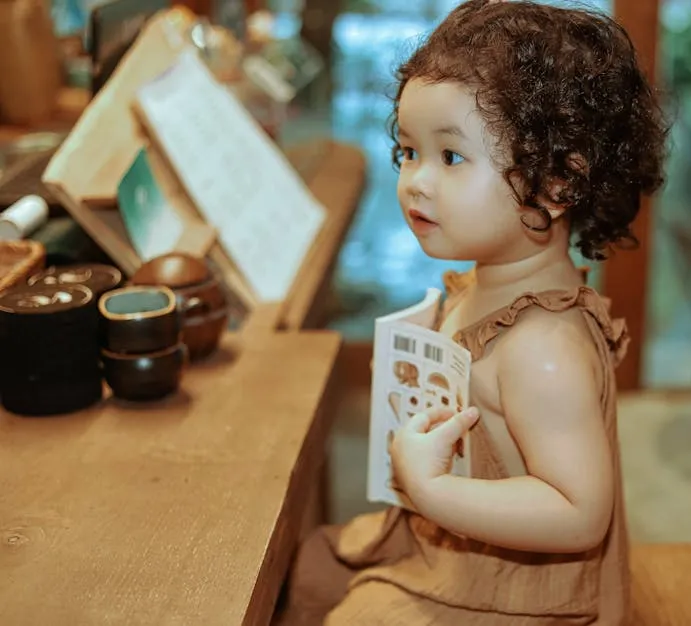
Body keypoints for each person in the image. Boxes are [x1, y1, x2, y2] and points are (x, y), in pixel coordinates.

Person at [275, 1, 668, 623]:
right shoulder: (488, 285)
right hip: (456, 542)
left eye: (450, 157)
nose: (415, 181)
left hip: (518, 593)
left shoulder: (543, 350)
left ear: (555, 185)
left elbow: (578, 514)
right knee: (301, 572)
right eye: (407, 151)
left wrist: (433, 492)